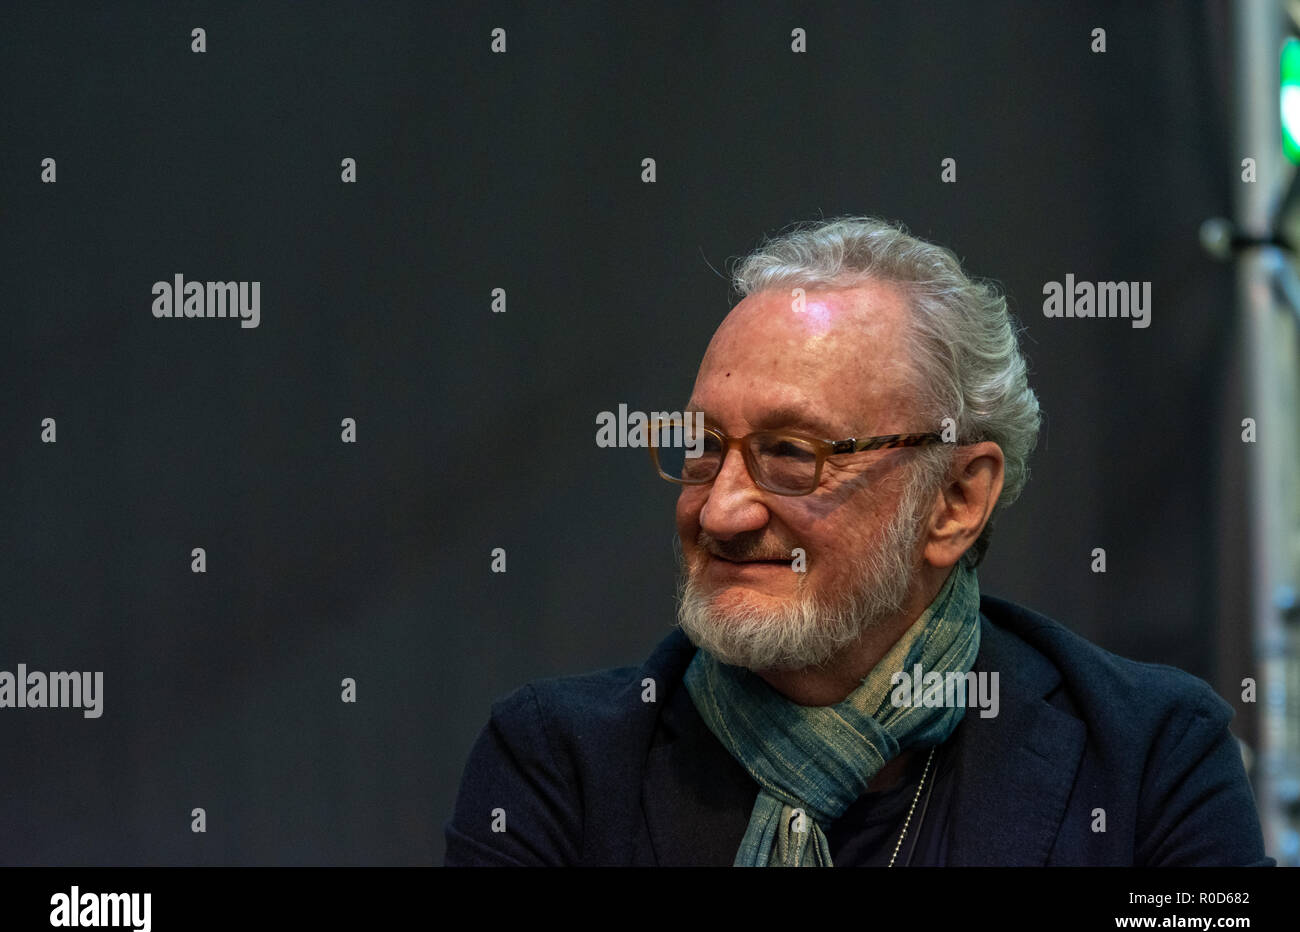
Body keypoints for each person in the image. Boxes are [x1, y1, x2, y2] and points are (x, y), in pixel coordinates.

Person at [443, 216, 1272, 866]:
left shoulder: (1150, 760)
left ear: (955, 500)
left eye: (791, 454)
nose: (722, 511)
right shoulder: (558, 764)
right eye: (703, 447)